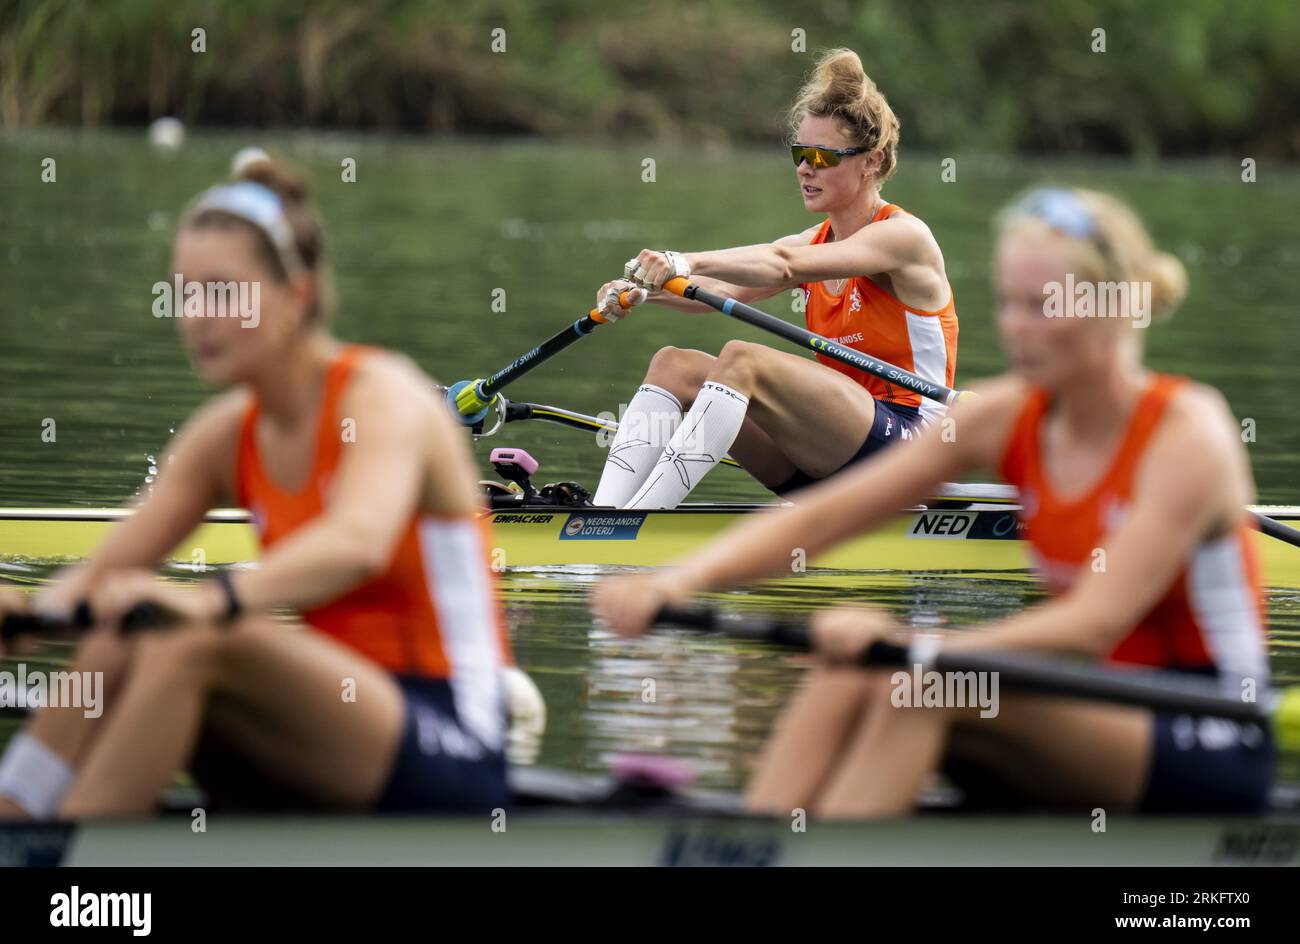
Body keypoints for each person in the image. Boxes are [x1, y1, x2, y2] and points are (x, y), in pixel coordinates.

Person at [592, 186, 1273, 818]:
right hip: (1104, 708)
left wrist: (914, 648)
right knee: (847, 674)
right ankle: (760, 843)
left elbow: (1093, 624)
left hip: (1205, 729)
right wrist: (679, 580)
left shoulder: (1189, 434)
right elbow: (832, 516)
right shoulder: (1006, 416)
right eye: (1008, 305)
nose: (1015, 330)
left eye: (1040, 308)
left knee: (908, 682)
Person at [0, 156, 514, 819]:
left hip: (451, 738)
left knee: (191, 637)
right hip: (327, 731)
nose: (196, 317)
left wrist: (210, 604)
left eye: (221, 292)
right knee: (116, 638)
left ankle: (73, 859)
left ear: (295, 297)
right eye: (185, 293)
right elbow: (103, 573)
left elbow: (356, 542)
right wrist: (31, 613)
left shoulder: (384, 396)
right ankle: (15, 816)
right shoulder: (224, 435)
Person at [590, 48, 958, 509]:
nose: (805, 168)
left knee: (744, 359)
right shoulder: (816, 241)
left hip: (911, 449)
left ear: (871, 161)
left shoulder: (905, 238)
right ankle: (601, 517)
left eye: (822, 156)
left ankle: (639, 523)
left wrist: (686, 260)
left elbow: (781, 263)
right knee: (674, 364)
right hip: (837, 452)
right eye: (799, 153)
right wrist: (645, 292)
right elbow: (717, 296)